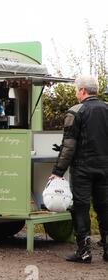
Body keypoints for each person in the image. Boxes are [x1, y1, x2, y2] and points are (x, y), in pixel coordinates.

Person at [49, 75, 108, 263]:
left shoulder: (75, 111)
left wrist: (57, 172)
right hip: (105, 168)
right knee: (105, 207)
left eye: (76, 90)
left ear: (82, 91)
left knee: (80, 208)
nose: (76, 93)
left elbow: (69, 146)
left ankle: (84, 252)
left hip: (82, 169)